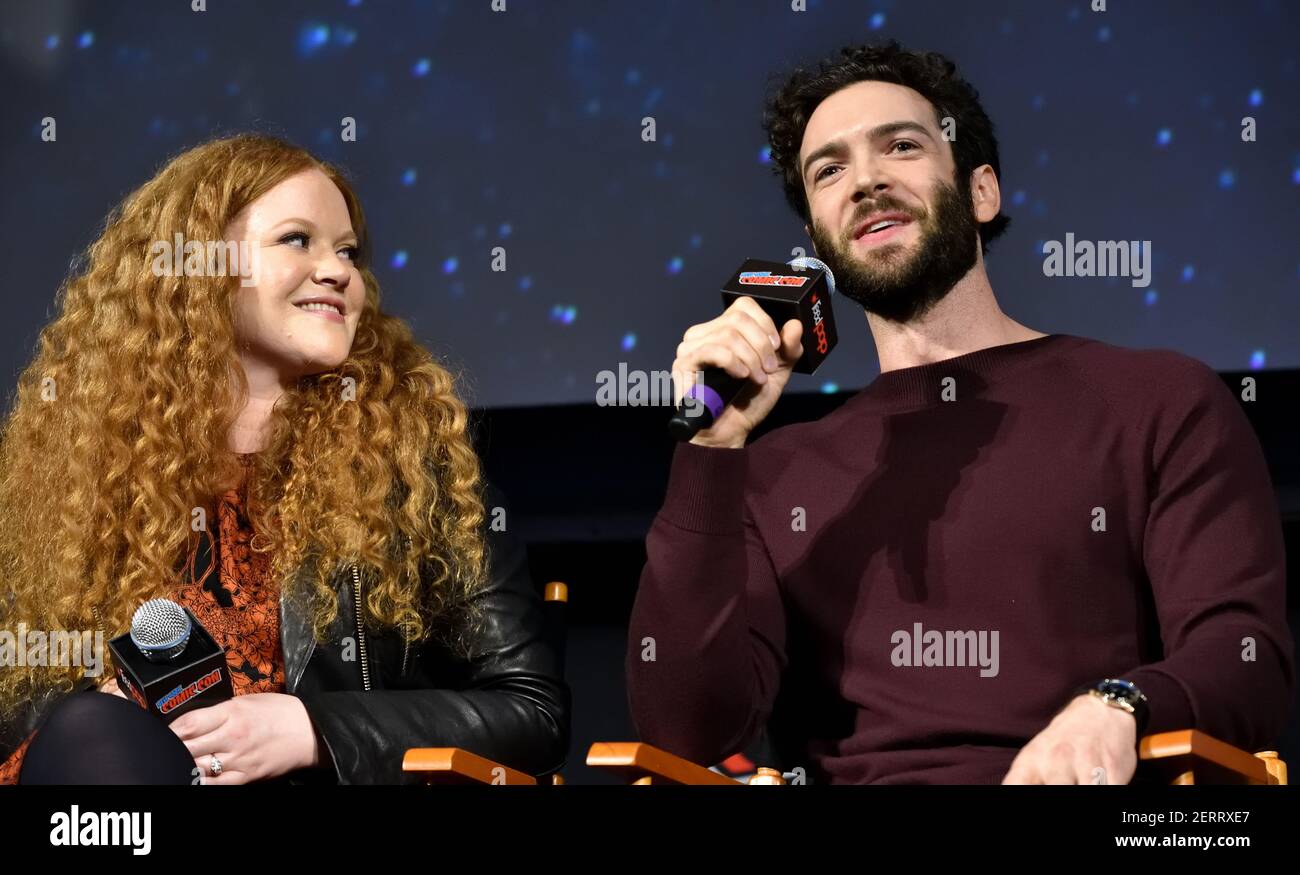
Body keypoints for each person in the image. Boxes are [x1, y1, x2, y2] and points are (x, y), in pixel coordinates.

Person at [627, 41, 1293, 785]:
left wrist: (1117, 706)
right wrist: (711, 447)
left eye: (902, 146)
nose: (867, 180)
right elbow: (684, 730)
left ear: (981, 193)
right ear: (815, 243)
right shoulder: (771, 473)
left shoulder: (1158, 401)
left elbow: (1245, 654)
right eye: (830, 170)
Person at [0, 133, 569, 784]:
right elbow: (16, 699)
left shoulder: (413, 469)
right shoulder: (79, 472)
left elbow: (532, 712)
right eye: (298, 240)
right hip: (117, 780)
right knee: (91, 731)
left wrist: (313, 729)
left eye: (349, 252)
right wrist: (105, 701)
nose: (339, 271)